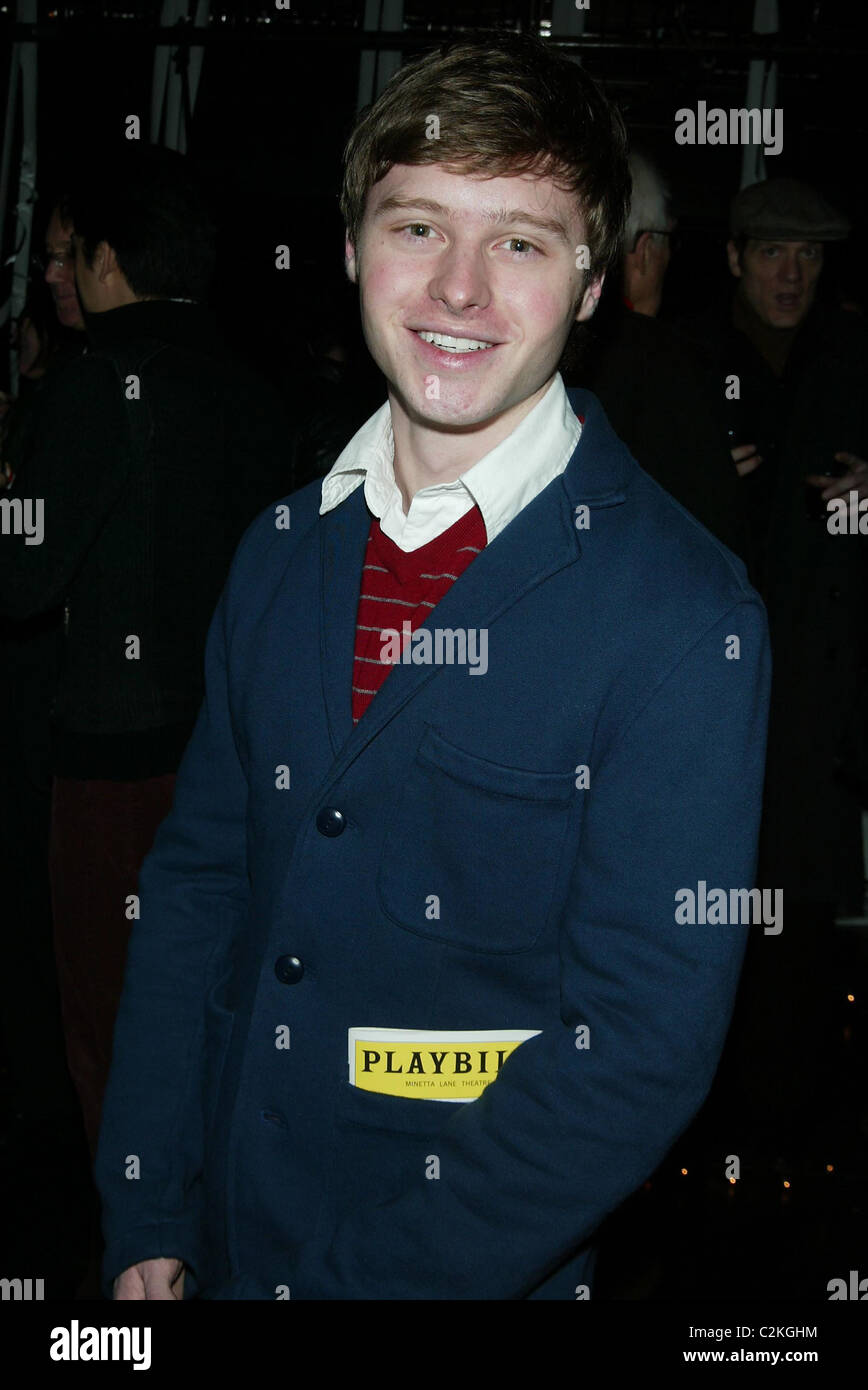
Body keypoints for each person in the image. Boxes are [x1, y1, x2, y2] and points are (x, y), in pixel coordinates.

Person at [96, 37, 770, 1301]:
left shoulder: (681, 617)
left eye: (518, 241)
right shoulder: (280, 552)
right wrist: (146, 1206)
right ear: (351, 248)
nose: (457, 290)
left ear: (590, 284)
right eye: (417, 226)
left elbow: (632, 1052)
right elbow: (197, 895)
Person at [0, 145, 291, 1162]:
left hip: (115, 762)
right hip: (236, 753)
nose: (57, 274)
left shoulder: (97, 385)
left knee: (112, 1019)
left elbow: (21, 578)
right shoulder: (253, 387)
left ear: (112, 260)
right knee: (207, 1008)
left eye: (69, 253)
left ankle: (136, 1255)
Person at [681, 177, 868, 1144]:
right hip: (706, 688)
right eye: (771, 253)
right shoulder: (688, 359)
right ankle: (702, 1106)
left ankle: (783, 1115)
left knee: (797, 897)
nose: (791, 274)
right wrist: (701, 480)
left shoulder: (852, 357)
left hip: (815, 687)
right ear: (734, 258)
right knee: (706, 898)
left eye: (810, 255)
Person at [564, 148, 745, 554]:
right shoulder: (675, 362)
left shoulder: (546, 350)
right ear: (645, 248)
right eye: (666, 241)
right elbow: (709, 527)